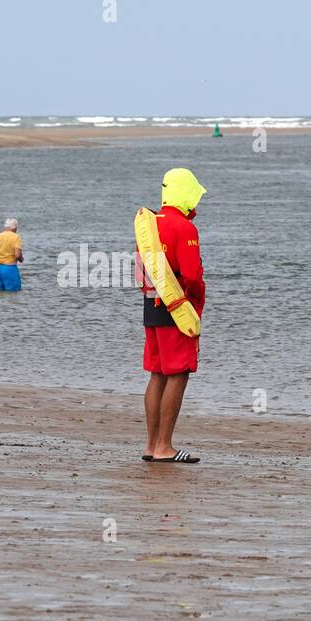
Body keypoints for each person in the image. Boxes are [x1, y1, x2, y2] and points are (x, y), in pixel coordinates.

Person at [140, 168, 206, 464]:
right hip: (176, 307)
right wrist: (195, 304)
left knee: (157, 373)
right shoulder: (185, 228)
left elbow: (140, 270)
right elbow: (191, 276)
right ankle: (165, 447)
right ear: (185, 192)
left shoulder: (149, 224)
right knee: (178, 372)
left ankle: (151, 445)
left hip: (150, 302)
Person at [0, 217, 23, 291]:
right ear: (15, 227)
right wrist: (21, 258)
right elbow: (17, 255)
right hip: (10, 269)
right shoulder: (16, 237)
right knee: (13, 296)